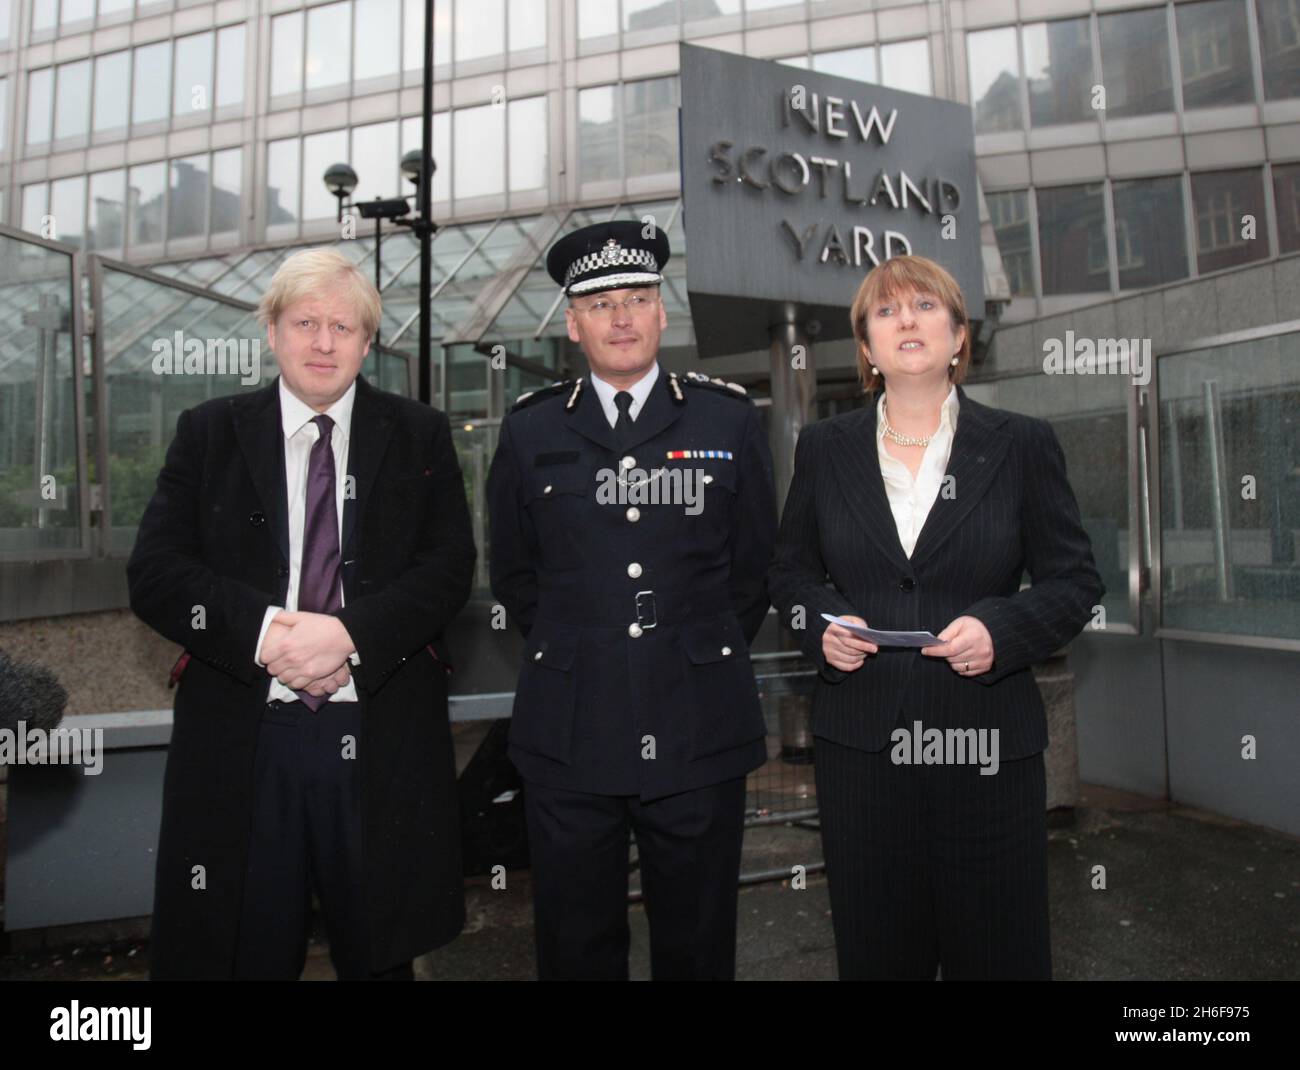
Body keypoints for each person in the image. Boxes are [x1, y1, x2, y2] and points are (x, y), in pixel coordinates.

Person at [127, 247, 476, 980]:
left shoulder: (418, 435)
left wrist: (349, 635)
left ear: (367, 341)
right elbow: (156, 573)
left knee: (380, 952)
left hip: (378, 736)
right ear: (272, 330)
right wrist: (267, 634)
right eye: (306, 322)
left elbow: (448, 570)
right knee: (241, 949)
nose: (324, 342)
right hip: (248, 738)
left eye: (343, 327)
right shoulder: (209, 432)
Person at [767, 254, 1103, 980]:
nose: (906, 320)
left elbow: (1075, 581)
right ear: (866, 349)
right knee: (880, 954)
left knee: (1001, 952)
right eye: (886, 312)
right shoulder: (824, 449)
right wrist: (821, 624)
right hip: (862, 753)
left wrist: (1002, 631)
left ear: (958, 338)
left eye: (925, 307)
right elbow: (790, 573)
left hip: (987, 747)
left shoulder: (1021, 445)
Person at [487, 220, 777, 980]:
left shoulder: (727, 419)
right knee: (575, 944)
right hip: (570, 726)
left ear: (662, 313)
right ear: (574, 324)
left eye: (638, 297)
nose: (621, 316)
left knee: (698, 939)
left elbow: (754, 570)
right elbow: (515, 575)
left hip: (698, 723)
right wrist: (580, 648)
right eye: (601, 302)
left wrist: (693, 651)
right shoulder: (529, 429)